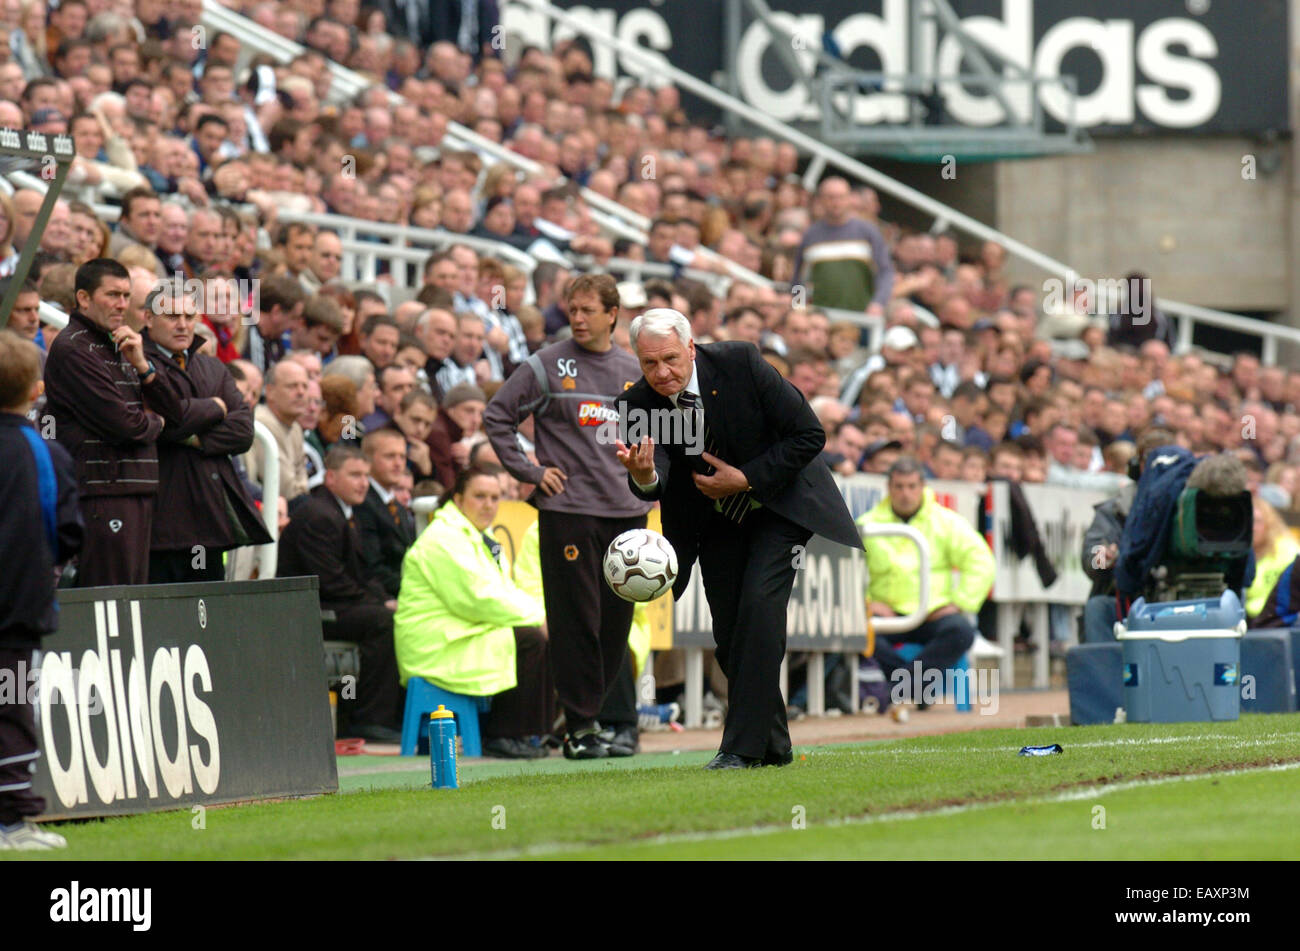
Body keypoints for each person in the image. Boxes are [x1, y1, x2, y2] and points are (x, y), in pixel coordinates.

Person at [614, 308, 862, 768]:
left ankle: (739, 749)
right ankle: (775, 745)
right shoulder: (634, 406)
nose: (662, 372)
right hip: (714, 522)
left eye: (670, 358)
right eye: (649, 364)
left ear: (691, 348)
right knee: (730, 638)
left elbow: (810, 435)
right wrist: (645, 475)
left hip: (779, 506)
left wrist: (746, 478)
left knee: (759, 611)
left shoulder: (741, 362)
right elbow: (653, 476)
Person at [484, 273, 652, 759]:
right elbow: (497, 416)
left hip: (626, 511)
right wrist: (531, 471)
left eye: (587, 311)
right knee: (576, 618)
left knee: (617, 621)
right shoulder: (546, 365)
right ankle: (581, 728)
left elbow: (659, 435)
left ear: (612, 314)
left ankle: (615, 724)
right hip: (568, 511)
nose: (577, 319)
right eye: (572, 310)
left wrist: (649, 482)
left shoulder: (634, 370)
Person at [394, 464, 554, 760]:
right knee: (529, 639)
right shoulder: (443, 538)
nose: (489, 505)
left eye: (495, 497)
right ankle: (502, 735)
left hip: (461, 630)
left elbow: (502, 591)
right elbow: (477, 599)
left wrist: (543, 617)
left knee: (537, 636)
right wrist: (538, 617)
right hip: (435, 644)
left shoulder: (480, 536)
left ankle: (533, 732)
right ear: (458, 499)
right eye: (480, 496)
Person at [43, 259, 183, 587]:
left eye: (126, 295)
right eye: (112, 295)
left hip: (135, 486)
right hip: (103, 491)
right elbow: (125, 424)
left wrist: (144, 367)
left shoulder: (125, 345)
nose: (122, 304)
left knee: (131, 597)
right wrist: (156, 424)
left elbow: (176, 412)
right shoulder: (73, 348)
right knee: (111, 597)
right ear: (83, 297)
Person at [0, 330, 83, 850]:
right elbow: (69, 530)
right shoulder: (44, 453)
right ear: (36, 389)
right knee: (10, 709)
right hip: (17, 607)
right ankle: (10, 821)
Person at [141, 284, 272, 583]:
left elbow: (242, 431)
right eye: (172, 315)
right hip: (159, 522)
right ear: (148, 318)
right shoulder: (132, 362)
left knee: (207, 620)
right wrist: (213, 407)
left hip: (208, 520)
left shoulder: (211, 366)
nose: (183, 324)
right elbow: (155, 421)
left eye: (189, 316)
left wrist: (191, 435)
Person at [277, 447, 405, 743]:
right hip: (312, 609)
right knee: (382, 621)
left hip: (334, 603)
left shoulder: (342, 512)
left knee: (392, 614)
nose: (363, 483)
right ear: (331, 477)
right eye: (355, 475)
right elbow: (330, 581)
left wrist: (386, 598)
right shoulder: (319, 515)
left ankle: (378, 716)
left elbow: (359, 576)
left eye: (365, 476)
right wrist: (378, 602)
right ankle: (371, 719)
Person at [858, 456, 995, 719]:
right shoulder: (867, 523)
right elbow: (849, 569)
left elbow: (981, 561)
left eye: (911, 486)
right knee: (860, 634)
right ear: (889, 488)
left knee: (961, 631)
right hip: (887, 616)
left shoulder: (945, 521)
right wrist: (867, 603)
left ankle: (898, 690)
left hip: (932, 613)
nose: (905, 494)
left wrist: (958, 602)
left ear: (922, 486)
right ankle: (918, 688)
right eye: (898, 486)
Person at [354, 428, 416, 600]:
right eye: (390, 456)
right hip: (379, 596)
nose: (398, 463)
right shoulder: (362, 502)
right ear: (367, 459)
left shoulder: (396, 506)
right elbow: (371, 566)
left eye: (402, 457)